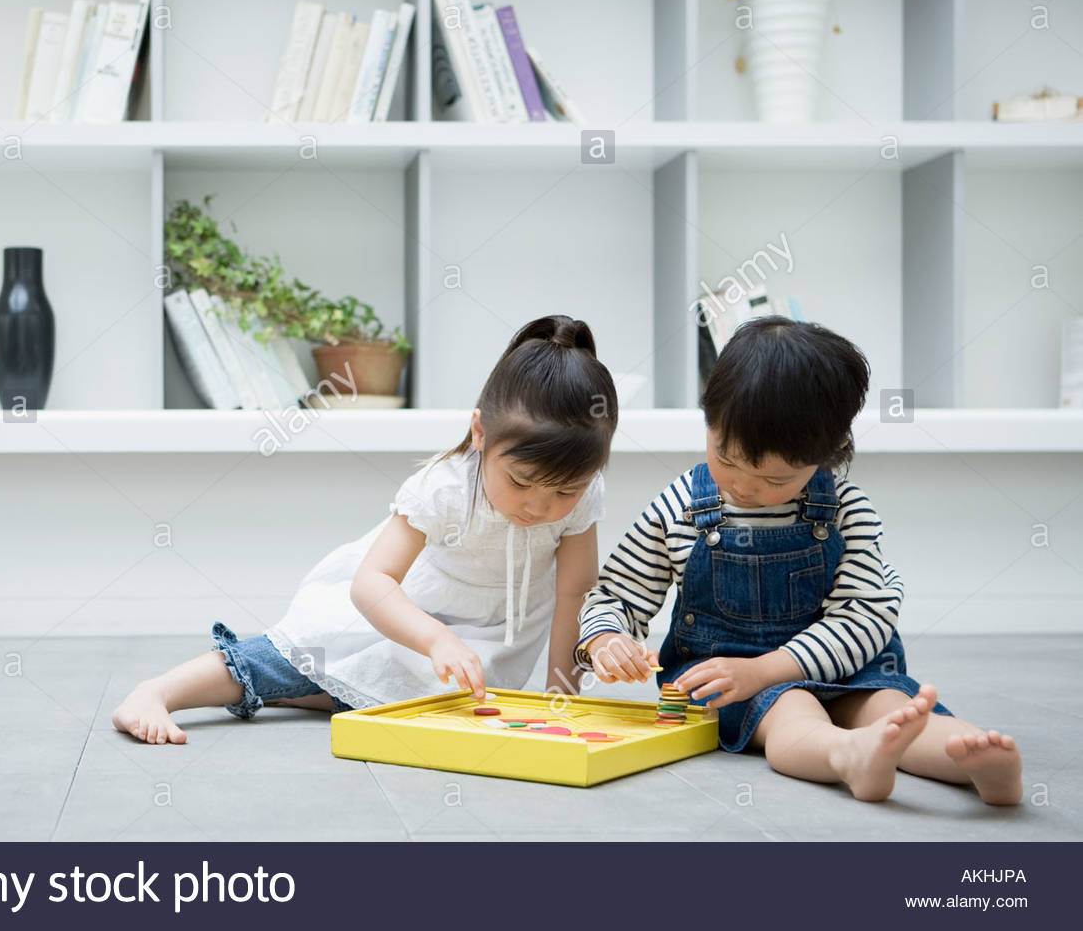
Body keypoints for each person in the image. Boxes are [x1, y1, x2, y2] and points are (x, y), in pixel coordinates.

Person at [576, 316, 1022, 804]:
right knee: (791, 709)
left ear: (828, 454)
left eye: (774, 480)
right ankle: (846, 757)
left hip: (846, 668)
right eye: (725, 458)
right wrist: (605, 636)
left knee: (892, 707)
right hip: (734, 678)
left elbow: (865, 617)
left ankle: (973, 761)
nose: (744, 486)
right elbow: (619, 592)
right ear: (709, 418)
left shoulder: (847, 510)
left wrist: (773, 665)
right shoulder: (680, 507)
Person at [113, 315, 618, 745]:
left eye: (565, 492)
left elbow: (574, 593)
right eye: (522, 482)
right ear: (480, 433)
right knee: (283, 660)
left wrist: (562, 699)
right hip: (394, 616)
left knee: (440, 707)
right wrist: (436, 640)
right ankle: (159, 691)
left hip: (479, 644)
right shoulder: (443, 488)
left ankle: (333, 691)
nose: (539, 505)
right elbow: (371, 584)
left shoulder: (581, 497)